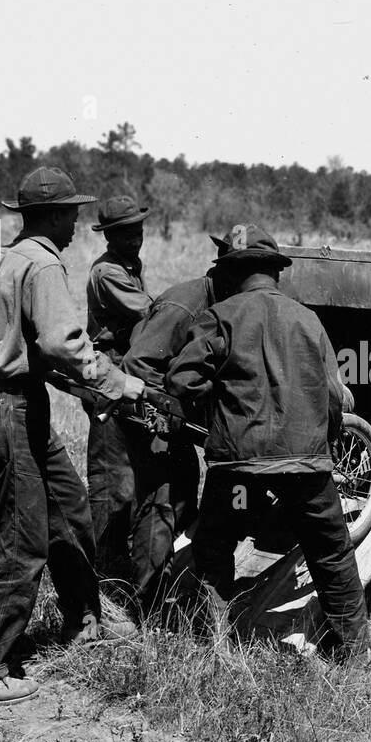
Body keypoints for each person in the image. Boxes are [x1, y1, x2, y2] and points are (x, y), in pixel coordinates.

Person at [0, 166, 146, 706]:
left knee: (70, 509)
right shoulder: (44, 264)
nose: (77, 223)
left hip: (7, 404)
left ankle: (84, 620)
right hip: (8, 411)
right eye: (70, 213)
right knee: (20, 537)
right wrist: (118, 382)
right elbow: (63, 345)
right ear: (50, 216)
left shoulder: (1, 257)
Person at [163, 225, 369, 660]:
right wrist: (324, 440)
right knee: (332, 553)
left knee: (216, 547)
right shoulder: (308, 319)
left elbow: (182, 381)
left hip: (241, 472)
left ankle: (216, 648)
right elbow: (335, 397)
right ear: (276, 272)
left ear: (232, 273)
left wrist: (221, 410)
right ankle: (354, 655)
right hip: (308, 470)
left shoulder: (220, 317)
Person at [119, 238, 232, 612]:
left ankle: (170, 589)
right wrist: (168, 411)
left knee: (181, 497)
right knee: (161, 505)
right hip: (151, 420)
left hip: (172, 421)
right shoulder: (185, 304)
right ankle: (145, 609)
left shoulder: (217, 302)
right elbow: (138, 364)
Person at [83, 195, 154, 579]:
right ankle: (101, 573)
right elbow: (146, 310)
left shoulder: (129, 264)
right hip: (109, 376)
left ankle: (117, 561)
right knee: (113, 482)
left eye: (138, 231)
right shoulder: (108, 272)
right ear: (109, 236)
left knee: (130, 477)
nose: (134, 239)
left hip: (126, 372)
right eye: (125, 234)